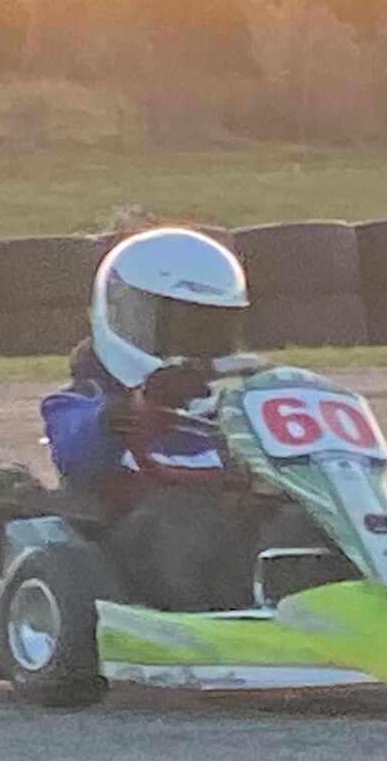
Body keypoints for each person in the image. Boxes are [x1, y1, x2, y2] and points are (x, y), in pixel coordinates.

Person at [37, 225, 256, 612]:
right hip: (129, 534)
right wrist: (133, 408)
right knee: (181, 522)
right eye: (177, 329)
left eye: (209, 332)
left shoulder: (237, 404)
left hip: (232, 518)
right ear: (120, 315)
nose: (192, 348)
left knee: (308, 521)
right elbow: (76, 449)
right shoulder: (84, 400)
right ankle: (217, 619)